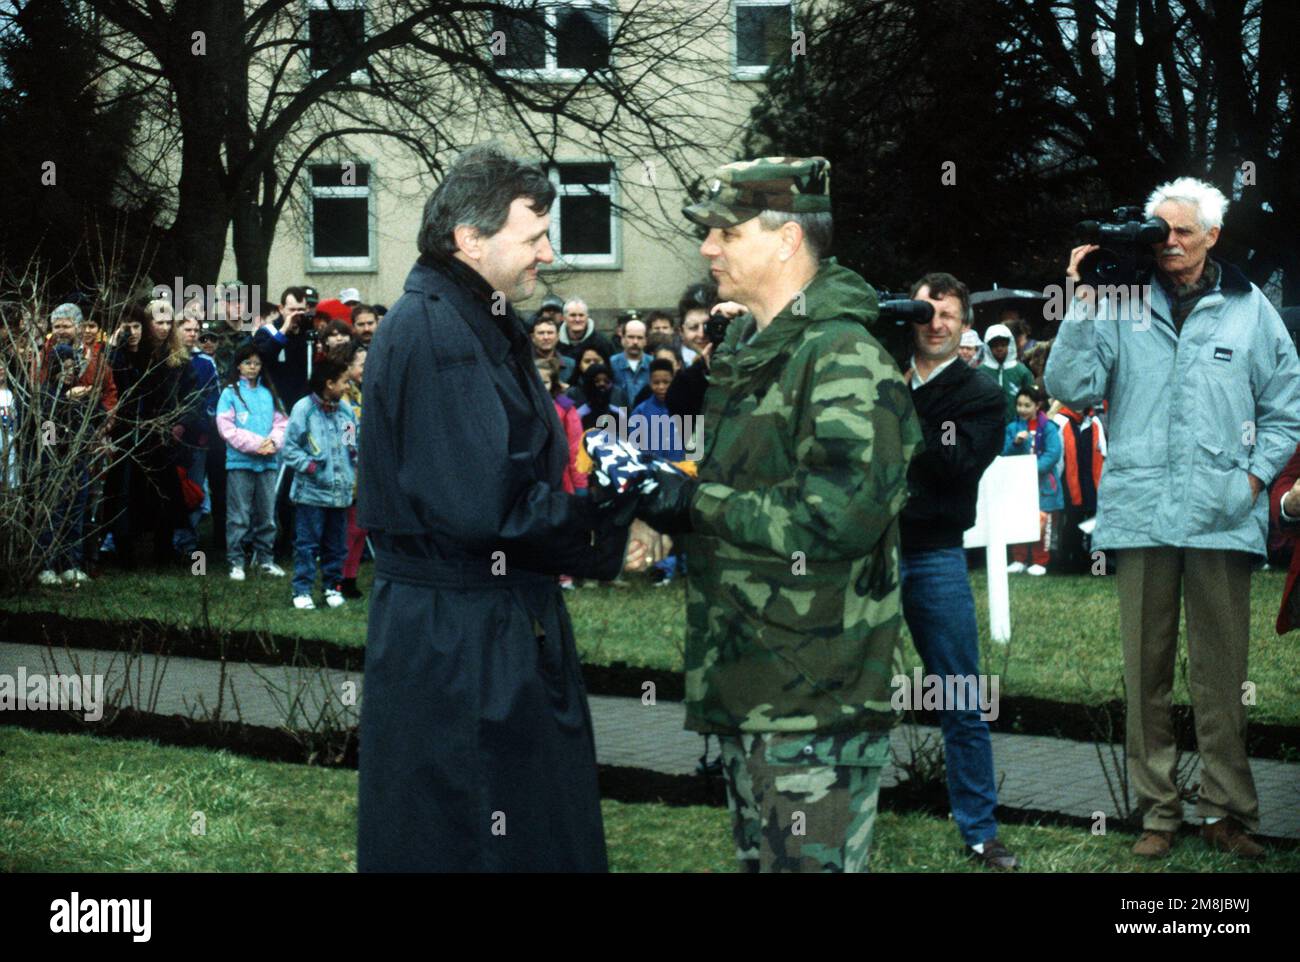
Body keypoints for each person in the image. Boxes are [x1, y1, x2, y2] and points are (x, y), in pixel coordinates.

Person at [619, 156, 922, 872]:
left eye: (726, 231)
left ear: (787, 240)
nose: (708, 248)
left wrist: (697, 503)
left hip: (812, 697)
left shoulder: (841, 357)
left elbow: (839, 517)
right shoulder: (758, 351)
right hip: (755, 681)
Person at [355, 144, 631, 872]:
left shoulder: (473, 320)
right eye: (533, 234)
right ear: (469, 239)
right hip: (463, 647)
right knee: (478, 836)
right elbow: (486, 508)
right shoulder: (442, 334)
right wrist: (608, 528)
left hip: (482, 629)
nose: (548, 250)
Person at [1045, 175, 1300, 860]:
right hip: (1143, 514)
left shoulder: (1252, 308)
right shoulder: (1120, 303)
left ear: (1213, 234)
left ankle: (1226, 811)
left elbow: (1287, 405)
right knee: (1145, 674)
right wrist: (1083, 301)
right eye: (1161, 233)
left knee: (1221, 677)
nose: (1171, 245)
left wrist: (1252, 477)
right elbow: (1071, 389)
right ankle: (1158, 812)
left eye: (1184, 232)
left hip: (1224, 515)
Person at [898, 272, 1017, 868]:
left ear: (966, 324)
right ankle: (831, 816)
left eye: (948, 314)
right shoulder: (879, 368)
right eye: (925, 311)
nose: (936, 323)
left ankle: (980, 828)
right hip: (863, 549)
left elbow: (954, 466)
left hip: (933, 552)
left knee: (960, 694)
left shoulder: (981, 394)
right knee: (844, 687)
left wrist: (891, 408)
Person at [282, 356, 358, 610]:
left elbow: (351, 443)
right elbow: (290, 447)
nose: (347, 386)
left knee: (336, 545)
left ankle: (332, 587)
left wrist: (354, 463)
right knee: (307, 544)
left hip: (340, 492)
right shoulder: (304, 409)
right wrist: (311, 466)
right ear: (329, 383)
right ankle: (301, 591)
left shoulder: (346, 410)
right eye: (344, 382)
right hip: (311, 493)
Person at [215, 344, 288, 581]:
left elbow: (281, 424)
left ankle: (265, 559)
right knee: (239, 515)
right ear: (238, 365)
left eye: (256, 363)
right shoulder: (229, 393)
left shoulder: (268, 394)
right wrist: (257, 444)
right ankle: (236, 562)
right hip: (240, 462)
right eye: (247, 363)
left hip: (267, 464)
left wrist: (274, 443)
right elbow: (227, 428)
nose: (252, 368)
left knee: (266, 514)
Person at [1002, 383, 1063, 575]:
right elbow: (1004, 453)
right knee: (1017, 518)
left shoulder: (1049, 428)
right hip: (1018, 483)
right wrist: (1016, 443)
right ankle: (1019, 559)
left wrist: (1032, 469)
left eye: (1027, 405)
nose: (1022, 409)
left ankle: (1040, 561)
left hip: (1043, 483)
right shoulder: (1012, 428)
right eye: (1019, 405)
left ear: (1037, 406)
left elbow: (1053, 453)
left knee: (1042, 521)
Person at [338, 343, 369, 599]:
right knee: (349, 529)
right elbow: (348, 438)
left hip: (363, 472)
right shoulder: (343, 399)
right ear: (347, 367)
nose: (366, 369)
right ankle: (340, 578)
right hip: (347, 471)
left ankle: (350, 577)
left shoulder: (361, 393)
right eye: (361, 365)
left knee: (360, 528)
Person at [979, 322, 1034, 422]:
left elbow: (1033, 400)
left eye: (1003, 344)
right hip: (988, 429)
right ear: (987, 347)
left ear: (1010, 344)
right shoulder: (979, 373)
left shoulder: (1022, 371)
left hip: (1017, 429)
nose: (999, 348)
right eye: (994, 345)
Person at [557, 297, 612, 361]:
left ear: (587, 317)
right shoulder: (555, 342)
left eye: (581, 315)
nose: (577, 319)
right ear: (564, 318)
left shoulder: (602, 342)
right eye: (573, 315)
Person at [610, 318, 649, 402]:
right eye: (631, 337)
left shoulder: (653, 364)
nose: (635, 342)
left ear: (646, 340)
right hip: (620, 413)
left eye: (640, 338)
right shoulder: (611, 364)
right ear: (622, 339)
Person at [530, 316, 575, 384]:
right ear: (533, 338)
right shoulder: (525, 365)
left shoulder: (571, 365)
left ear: (557, 337)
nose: (546, 337)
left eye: (550, 333)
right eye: (541, 333)